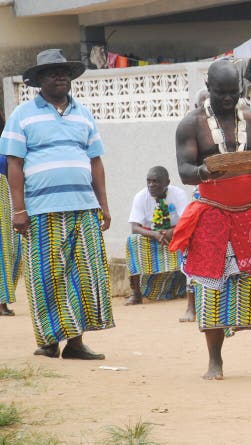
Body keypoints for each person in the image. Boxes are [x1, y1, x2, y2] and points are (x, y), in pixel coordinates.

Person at [171, 59, 251, 380]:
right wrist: (203, 170)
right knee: (213, 290)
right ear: (209, 89)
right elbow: (184, 171)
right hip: (211, 214)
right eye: (221, 92)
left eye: (233, 92)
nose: (228, 98)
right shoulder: (190, 124)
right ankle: (215, 362)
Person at [0, 49, 114, 359]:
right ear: (39, 80)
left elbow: (96, 161)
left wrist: (103, 204)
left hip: (83, 206)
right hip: (40, 209)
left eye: (63, 71)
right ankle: (49, 342)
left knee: (86, 275)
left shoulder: (84, 113)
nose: (60, 76)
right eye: (51, 73)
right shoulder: (22, 115)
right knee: (46, 277)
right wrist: (19, 209)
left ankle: (76, 343)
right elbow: (14, 164)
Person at [125, 167, 193, 312]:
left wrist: (171, 232)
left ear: (167, 182)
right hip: (151, 236)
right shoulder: (140, 196)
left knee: (192, 238)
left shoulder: (178, 194)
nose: (151, 185)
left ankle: (191, 289)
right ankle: (136, 293)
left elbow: (187, 221)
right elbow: (135, 228)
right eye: (148, 181)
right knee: (132, 241)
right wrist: (155, 235)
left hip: (175, 233)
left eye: (155, 182)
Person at [0, 112, 21, 317]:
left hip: (8, 199)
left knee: (13, 250)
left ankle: (3, 298)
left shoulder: (8, 141)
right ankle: (1, 302)